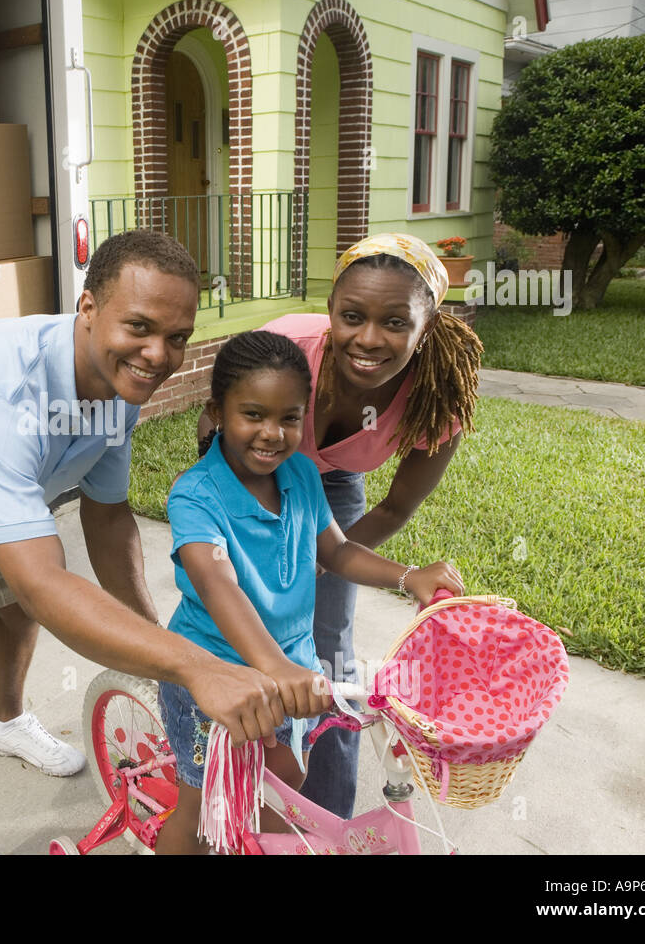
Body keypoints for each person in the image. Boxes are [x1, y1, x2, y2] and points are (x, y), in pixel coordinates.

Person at [0, 230, 291, 855]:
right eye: (140, 327)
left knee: (19, 603)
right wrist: (192, 664)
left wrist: (161, 649)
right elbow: (45, 581)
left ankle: (7, 724)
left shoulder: (117, 386)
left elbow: (109, 518)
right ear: (87, 308)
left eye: (177, 337)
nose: (158, 354)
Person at [196, 232, 483, 819]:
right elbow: (217, 426)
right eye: (352, 316)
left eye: (396, 322)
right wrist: (236, 513)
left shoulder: (437, 396)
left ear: (428, 325)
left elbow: (395, 510)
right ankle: (216, 773)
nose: (369, 339)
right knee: (236, 623)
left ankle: (324, 817)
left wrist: (327, 560)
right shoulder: (287, 349)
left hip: (333, 487)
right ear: (330, 313)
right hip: (249, 472)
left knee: (329, 661)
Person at [157, 330, 465, 855]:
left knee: (287, 782)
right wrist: (276, 667)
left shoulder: (299, 472)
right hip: (214, 673)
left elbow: (337, 552)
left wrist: (407, 575)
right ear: (217, 410)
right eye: (253, 415)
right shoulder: (196, 495)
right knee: (200, 808)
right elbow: (218, 584)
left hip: (292, 668)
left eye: (289, 417)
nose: (272, 433)